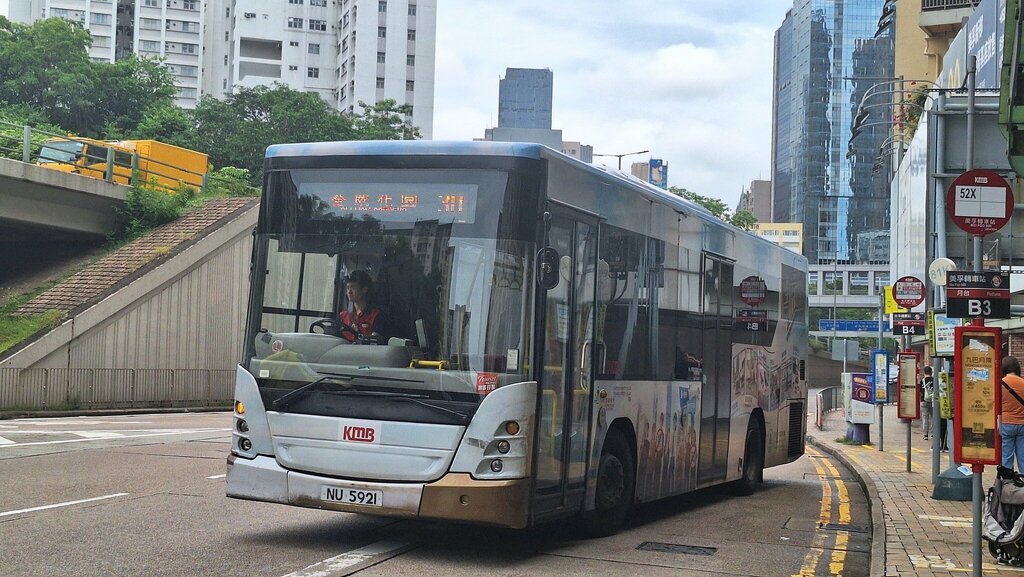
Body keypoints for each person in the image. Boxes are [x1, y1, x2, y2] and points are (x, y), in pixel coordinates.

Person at [338, 270, 387, 343]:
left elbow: (375, 343)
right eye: (348, 288)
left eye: (353, 287)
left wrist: (358, 334)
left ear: (364, 289)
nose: (349, 292)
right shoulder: (343, 316)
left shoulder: (376, 316)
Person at [1000, 356, 1024, 471]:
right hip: (1022, 423)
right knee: (1023, 456)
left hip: (1006, 423)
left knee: (1006, 455)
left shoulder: (1001, 384)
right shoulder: (1023, 382)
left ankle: (1007, 481)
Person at [921, 366, 933, 440]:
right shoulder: (934, 380)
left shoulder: (922, 381)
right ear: (931, 372)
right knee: (933, 418)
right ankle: (933, 434)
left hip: (924, 401)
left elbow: (920, 391)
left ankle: (925, 434)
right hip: (933, 400)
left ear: (924, 372)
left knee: (925, 418)